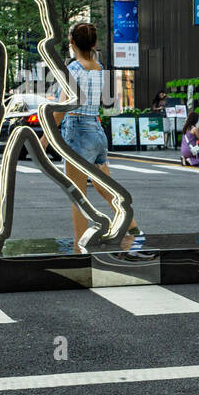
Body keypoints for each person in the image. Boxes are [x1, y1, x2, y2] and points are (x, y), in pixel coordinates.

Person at [53, 22, 140, 241]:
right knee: (104, 186)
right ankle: (132, 226)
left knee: (77, 193)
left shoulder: (72, 69)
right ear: (94, 43)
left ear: (72, 42)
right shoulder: (99, 68)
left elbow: (64, 107)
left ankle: (80, 242)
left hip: (77, 129)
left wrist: (46, 136)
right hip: (96, 129)